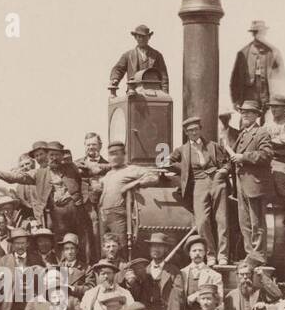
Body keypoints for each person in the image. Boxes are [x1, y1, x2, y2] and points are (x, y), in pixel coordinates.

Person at [166, 116, 232, 264]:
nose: (194, 133)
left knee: (222, 219)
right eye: (190, 131)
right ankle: (210, 254)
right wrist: (184, 169)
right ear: (186, 133)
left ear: (200, 130)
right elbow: (168, 162)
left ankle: (223, 255)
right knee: (202, 221)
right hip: (198, 183)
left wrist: (222, 172)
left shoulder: (213, 146)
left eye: (196, 129)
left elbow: (227, 163)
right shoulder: (182, 150)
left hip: (217, 181)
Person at [228, 101, 274, 261]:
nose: (245, 115)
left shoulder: (261, 133)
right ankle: (251, 254)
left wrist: (244, 157)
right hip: (242, 184)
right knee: (245, 222)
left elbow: (266, 154)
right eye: (243, 112)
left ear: (256, 115)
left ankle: (260, 255)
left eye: (249, 112)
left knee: (257, 222)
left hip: (255, 184)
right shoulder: (243, 133)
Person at [97, 140, 164, 247]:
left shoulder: (131, 169)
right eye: (110, 154)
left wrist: (135, 183)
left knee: (120, 246)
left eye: (116, 153)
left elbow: (154, 177)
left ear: (124, 154)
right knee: (104, 248)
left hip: (118, 215)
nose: (112, 157)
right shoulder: (109, 174)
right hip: (103, 216)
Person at [229, 20, 285, 112]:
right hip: (249, 97)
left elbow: (281, 80)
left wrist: (280, 102)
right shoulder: (243, 53)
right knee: (247, 122)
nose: (258, 35)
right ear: (252, 34)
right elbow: (235, 79)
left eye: (261, 32)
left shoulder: (273, 52)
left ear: (265, 33)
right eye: (255, 32)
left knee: (269, 123)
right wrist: (235, 100)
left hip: (268, 97)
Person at [108, 24, 169, 94]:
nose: (142, 39)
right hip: (134, 94)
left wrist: (165, 94)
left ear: (149, 37)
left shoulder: (157, 55)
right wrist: (115, 79)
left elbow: (164, 77)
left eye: (144, 37)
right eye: (139, 36)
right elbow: (118, 69)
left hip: (154, 95)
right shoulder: (128, 55)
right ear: (135, 37)